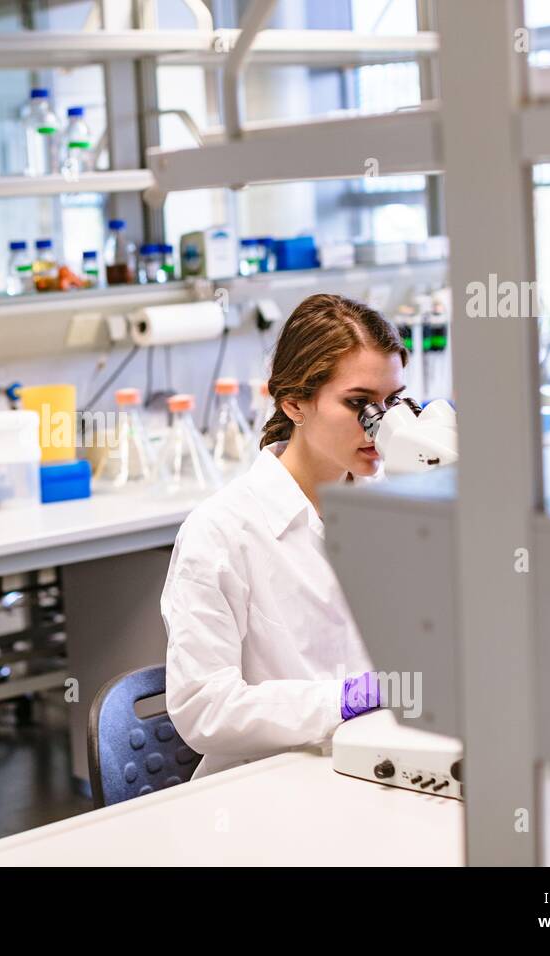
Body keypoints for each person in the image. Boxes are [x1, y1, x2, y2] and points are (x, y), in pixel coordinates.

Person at [162, 294, 408, 779]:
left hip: (382, 764)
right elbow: (203, 707)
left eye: (392, 402)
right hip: (266, 785)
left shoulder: (399, 511)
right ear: (294, 402)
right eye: (359, 403)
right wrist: (341, 702)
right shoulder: (222, 532)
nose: (380, 425)